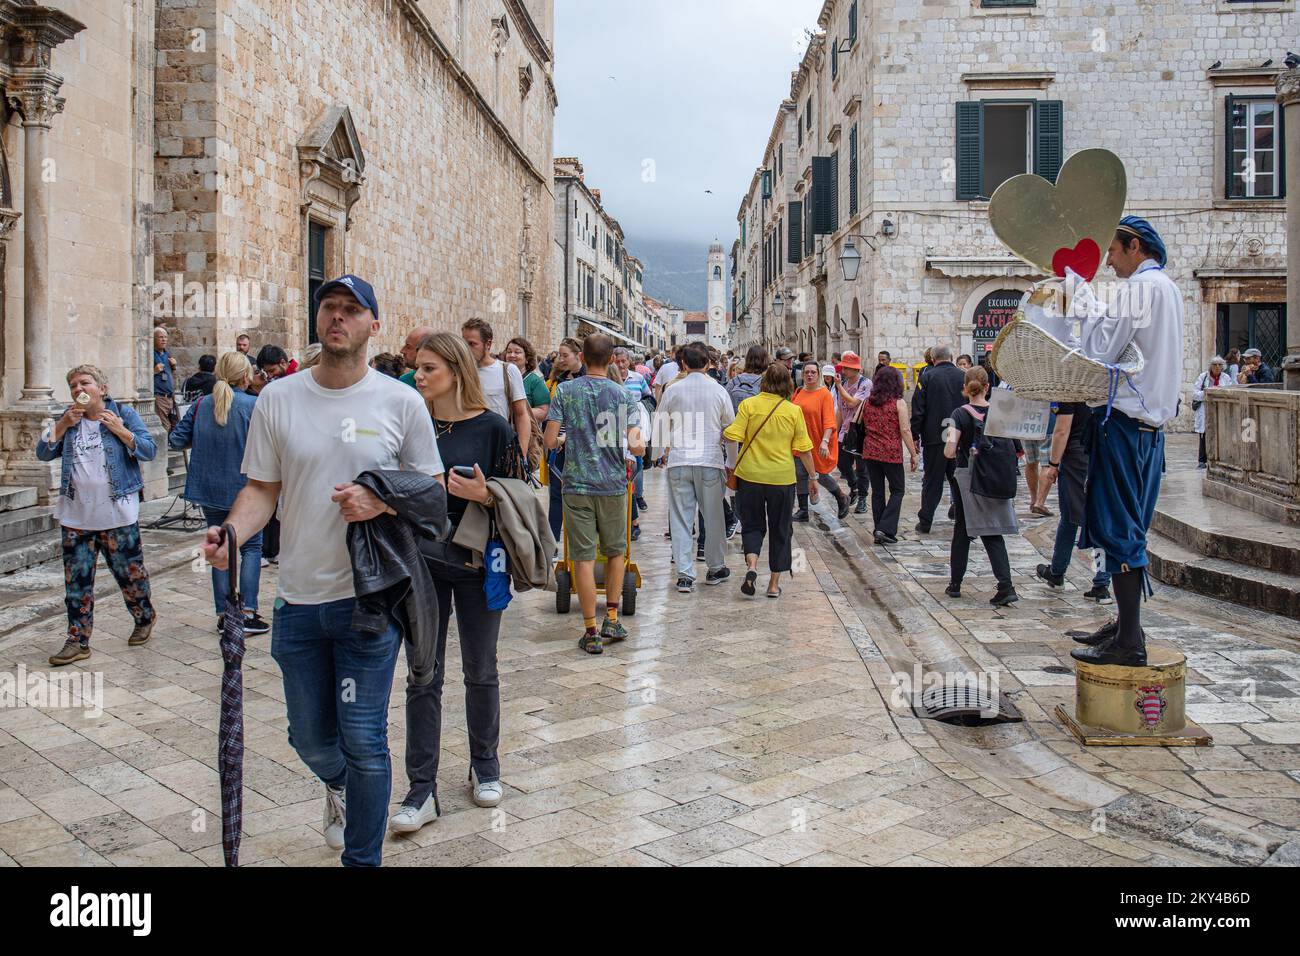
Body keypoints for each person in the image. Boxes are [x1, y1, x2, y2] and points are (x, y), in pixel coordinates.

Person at [202, 274, 444, 866]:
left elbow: (433, 491)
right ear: (318, 321)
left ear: (373, 325)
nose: (338, 317)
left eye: (351, 309)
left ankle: (362, 860)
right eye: (329, 307)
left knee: (365, 741)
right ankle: (339, 787)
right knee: (308, 737)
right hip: (299, 599)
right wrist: (234, 534)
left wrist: (382, 501)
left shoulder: (401, 401)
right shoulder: (278, 400)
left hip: (370, 600)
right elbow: (262, 488)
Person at [390, 332, 517, 834]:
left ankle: (484, 764)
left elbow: (520, 492)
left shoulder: (493, 429)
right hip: (420, 561)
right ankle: (421, 788)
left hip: (477, 561)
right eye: (417, 368)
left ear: (457, 372)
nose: (417, 377)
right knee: (424, 673)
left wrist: (485, 495)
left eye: (428, 369)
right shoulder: (410, 424)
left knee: (481, 668)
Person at [1066, 216, 1183, 667]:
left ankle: (1130, 641)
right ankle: (1124, 623)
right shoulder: (1168, 289)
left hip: (1125, 424)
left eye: (1113, 252)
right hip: (1150, 430)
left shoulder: (1139, 289)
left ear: (1134, 247)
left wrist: (1082, 297)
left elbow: (1100, 348)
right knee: (1128, 524)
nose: (1110, 262)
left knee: (1119, 530)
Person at [37, 365, 158, 665]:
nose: (80, 388)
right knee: (76, 584)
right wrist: (63, 424)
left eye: (86, 383)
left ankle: (144, 617)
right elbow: (43, 452)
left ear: (102, 389)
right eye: (73, 385)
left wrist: (121, 431)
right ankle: (77, 640)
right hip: (76, 517)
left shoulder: (124, 415)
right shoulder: (68, 420)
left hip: (117, 515)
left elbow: (149, 450)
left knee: (130, 578)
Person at [544, 333, 645, 654]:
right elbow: (635, 445)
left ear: (583, 357)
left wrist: (564, 441)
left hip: (576, 484)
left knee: (582, 558)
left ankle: (589, 629)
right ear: (613, 359)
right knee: (616, 552)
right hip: (613, 484)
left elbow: (549, 440)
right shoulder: (623, 395)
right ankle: (611, 616)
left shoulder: (565, 391)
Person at [168, 351, 267, 635]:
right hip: (246, 488)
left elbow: (176, 440)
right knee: (250, 548)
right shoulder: (254, 405)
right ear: (246, 375)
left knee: (219, 547)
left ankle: (225, 613)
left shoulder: (201, 404)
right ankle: (247, 612)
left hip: (209, 488)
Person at [724, 363, 816, 600]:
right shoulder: (792, 411)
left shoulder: (748, 405)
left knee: (753, 525)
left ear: (763, 382)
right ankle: (774, 585)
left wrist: (731, 461)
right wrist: (813, 478)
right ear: (788, 384)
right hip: (781, 479)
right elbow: (804, 449)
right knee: (781, 529)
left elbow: (732, 434)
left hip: (750, 476)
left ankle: (752, 566)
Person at [655, 342, 734, 593]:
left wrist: (659, 455)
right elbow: (730, 431)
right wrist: (731, 462)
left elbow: (659, 426)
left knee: (680, 518)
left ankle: (685, 574)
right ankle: (715, 567)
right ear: (709, 363)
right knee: (713, 517)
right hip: (710, 460)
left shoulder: (672, 390)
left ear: (683, 364)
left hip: (680, 460)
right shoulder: (719, 391)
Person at [944, 366, 1020, 606]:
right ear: (987, 387)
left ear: (965, 388)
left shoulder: (959, 413)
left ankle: (956, 584)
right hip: (994, 477)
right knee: (991, 531)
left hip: (968, 476)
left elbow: (949, 450)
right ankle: (1004, 584)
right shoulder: (1000, 412)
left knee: (964, 529)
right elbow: (1017, 449)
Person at [1036, 402, 1113, 605]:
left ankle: (1060, 572)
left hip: (1076, 456)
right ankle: (1101, 580)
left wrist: (1053, 463)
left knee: (1071, 516)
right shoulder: (1103, 387)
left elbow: (1062, 430)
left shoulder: (1071, 392)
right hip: (1103, 454)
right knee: (1099, 518)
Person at [861, 365, 918, 545]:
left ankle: (879, 528)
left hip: (870, 451)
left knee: (877, 492)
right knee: (897, 490)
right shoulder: (898, 403)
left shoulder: (868, 402)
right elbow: (905, 430)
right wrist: (914, 454)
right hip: (891, 452)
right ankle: (885, 528)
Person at [911, 344, 965, 533]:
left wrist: (914, 435)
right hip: (959, 437)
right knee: (958, 479)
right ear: (951, 357)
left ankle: (925, 520)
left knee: (932, 480)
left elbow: (918, 408)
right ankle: (963, 518)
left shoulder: (926, 377)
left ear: (933, 359)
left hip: (934, 437)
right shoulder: (964, 377)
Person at [461, 317, 531, 460]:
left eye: (472, 344)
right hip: (466, 447)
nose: (466, 349)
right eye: (464, 344)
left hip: (498, 448)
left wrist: (521, 455)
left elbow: (521, 414)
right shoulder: (458, 372)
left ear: (488, 344)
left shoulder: (507, 371)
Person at [793, 362, 850, 520]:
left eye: (813, 372)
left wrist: (825, 441)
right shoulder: (798, 392)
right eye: (806, 372)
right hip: (800, 440)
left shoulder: (824, 394)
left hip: (819, 439)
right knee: (800, 473)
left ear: (818, 374)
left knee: (821, 474)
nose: (809, 375)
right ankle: (803, 510)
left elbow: (829, 421)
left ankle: (841, 497)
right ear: (802, 374)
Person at [542, 337, 584, 542]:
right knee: (556, 493)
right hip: (558, 445)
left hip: (579, 445)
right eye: (559, 355)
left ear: (579, 356)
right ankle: (552, 541)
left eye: (565, 355)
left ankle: (576, 540)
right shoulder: (556, 380)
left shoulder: (588, 379)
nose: (561, 359)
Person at [833, 351, 871, 512]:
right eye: (844, 368)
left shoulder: (865, 384)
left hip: (860, 431)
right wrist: (835, 431)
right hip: (845, 429)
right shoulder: (844, 384)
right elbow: (841, 409)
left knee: (862, 467)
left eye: (847, 368)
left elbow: (854, 402)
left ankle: (862, 498)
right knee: (841, 462)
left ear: (856, 369)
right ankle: (854, 486)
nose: (844, 371)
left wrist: (839, 387)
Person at [1193, 356, 1232, 468]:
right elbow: (1195, 393)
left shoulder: (1226, 378)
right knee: (1204, 435)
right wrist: (1209, 391)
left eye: (1220, 365)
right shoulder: (1203, 377)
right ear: (1211, 366)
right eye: (1215, 364)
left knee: (1221, 434)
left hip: (1221, 409)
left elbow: (1231, 391)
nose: (1217, 367)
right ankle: (1202, 460)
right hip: (1205, 409)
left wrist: (1221, 390)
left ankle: (1220, 459)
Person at [503, 336, 552, 424]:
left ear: (527, 358)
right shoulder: (500, 377)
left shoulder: (535, 381)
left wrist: (515, 412)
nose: (512, 355)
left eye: (517, 352)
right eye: (509, 352)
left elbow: (544, 412)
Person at [153, 326, 180, 431]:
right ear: (154, 339)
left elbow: (172, 376)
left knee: (173, 424)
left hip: (170, 397)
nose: (164, 340)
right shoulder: (150, 354)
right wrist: (154, 371)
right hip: (159, 396)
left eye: (165, 337)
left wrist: (174, 367)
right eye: (160, 337)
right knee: (165, 426)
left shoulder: (168, 354)